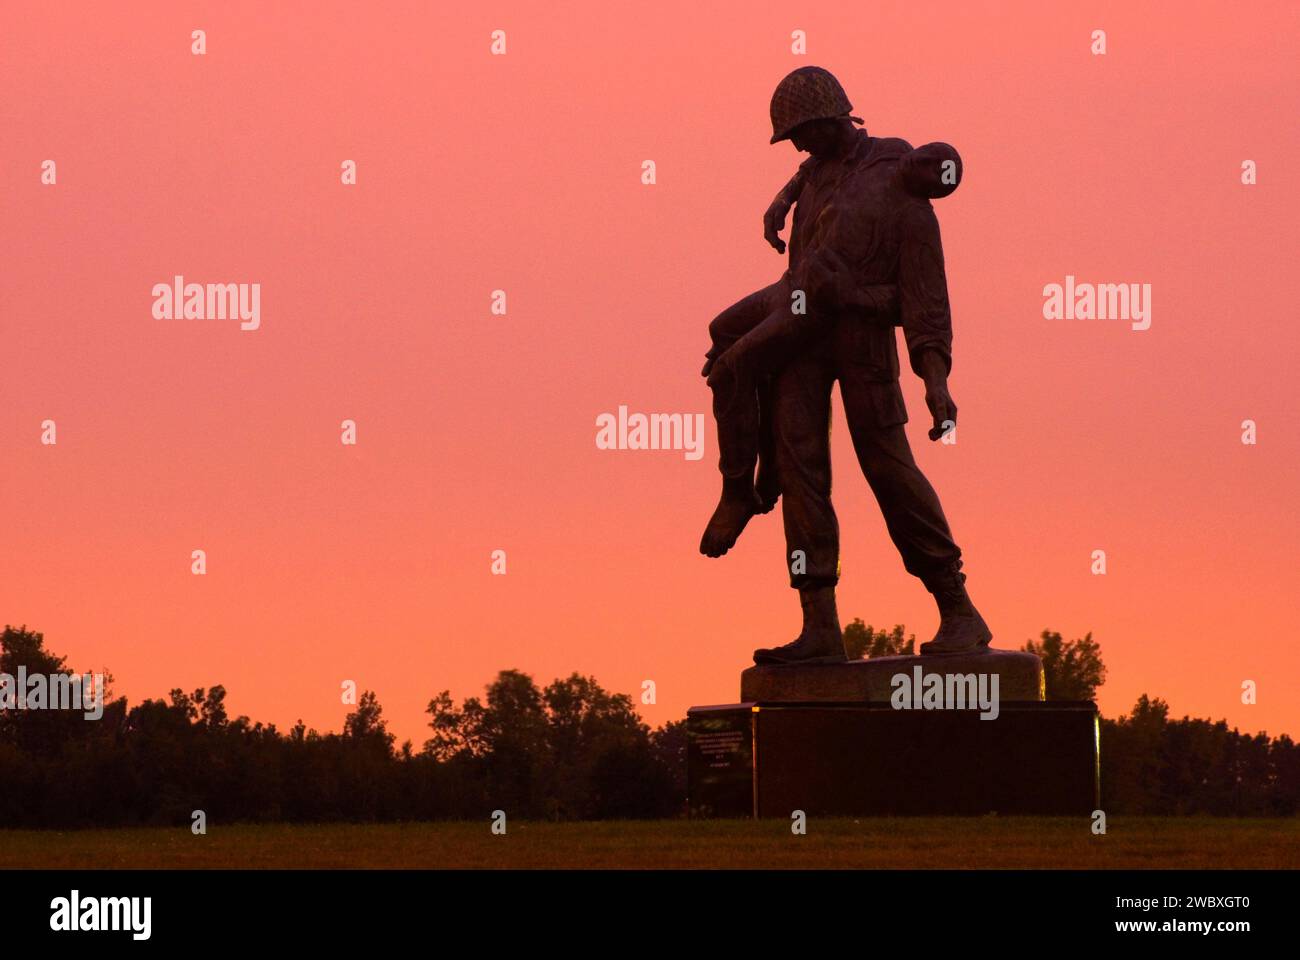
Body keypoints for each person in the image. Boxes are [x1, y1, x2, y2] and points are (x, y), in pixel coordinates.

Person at [701, 65, 991, 661]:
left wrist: (937, 381)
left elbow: (922, 298)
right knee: (800, 470)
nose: (799, 146)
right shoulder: (815, 173)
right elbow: (803, 179)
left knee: (890, 471)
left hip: (862, 346)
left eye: (802, 133)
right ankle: (818, 624)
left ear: (831, 121)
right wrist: (780, 203)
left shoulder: (900, 186)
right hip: (800, 336)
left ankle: (958, 608)